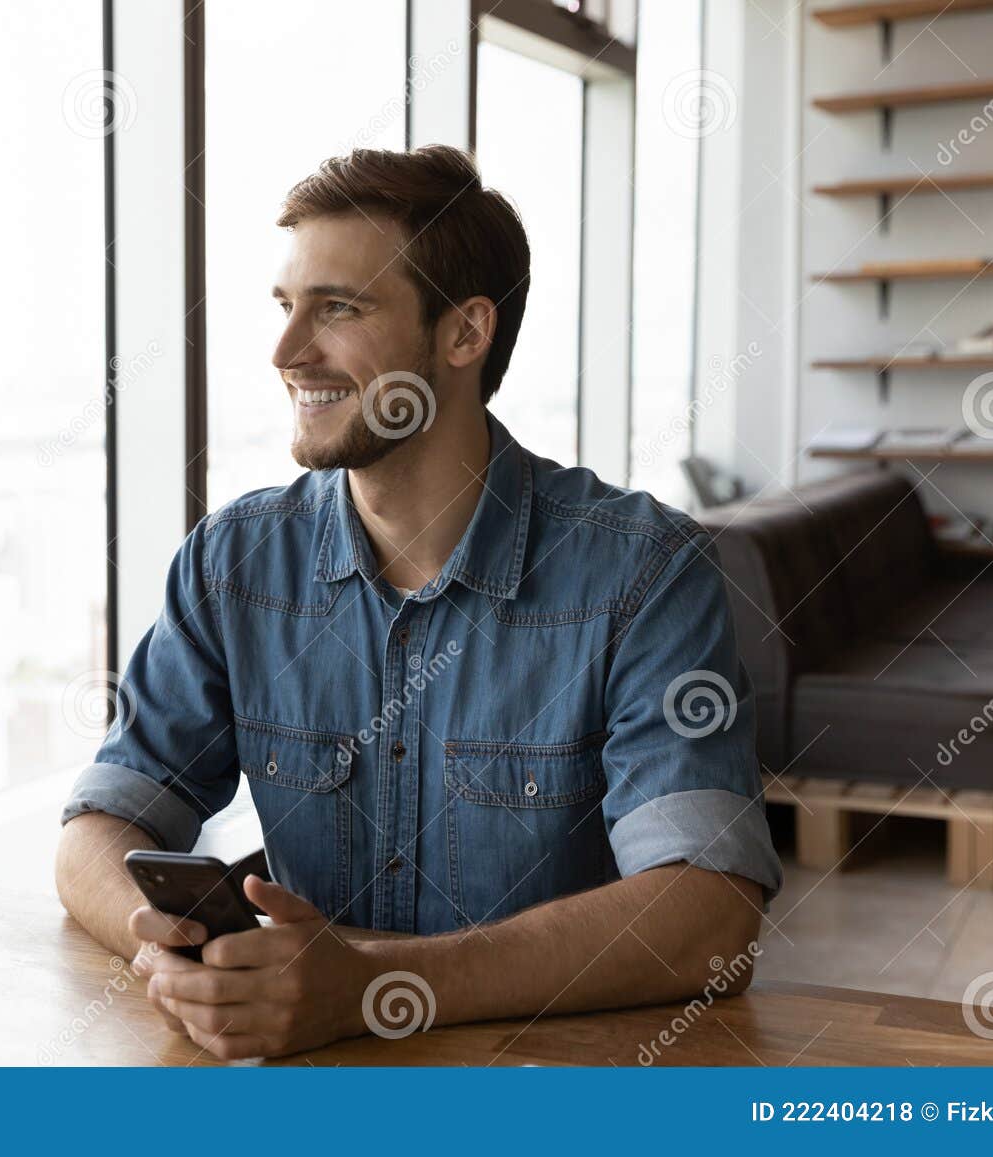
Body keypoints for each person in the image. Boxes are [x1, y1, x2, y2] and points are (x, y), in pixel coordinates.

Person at [55, 145, 781, 1060]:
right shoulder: (230, 563)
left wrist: (376, 990)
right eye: (286, 308)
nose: (287, 354)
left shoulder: (644, 571)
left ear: (464, 334)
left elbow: (708, 917)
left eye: (340, 309)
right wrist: (173, 952)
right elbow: (96, 829)